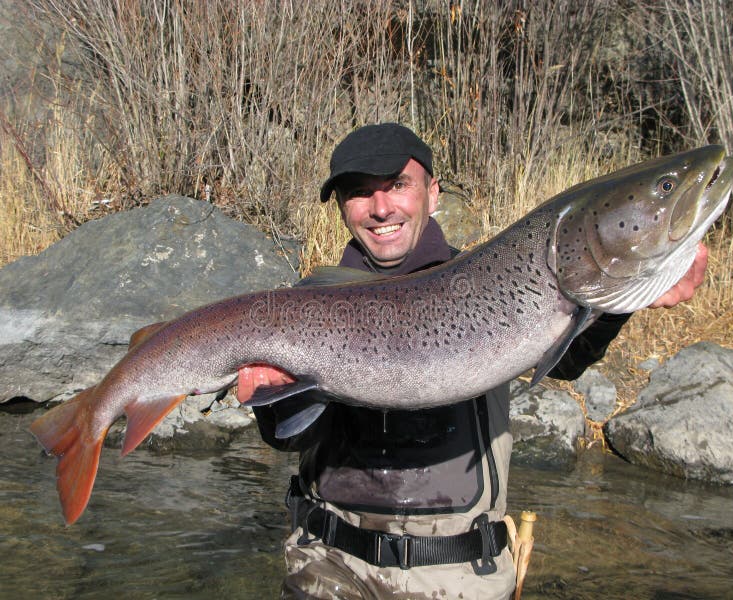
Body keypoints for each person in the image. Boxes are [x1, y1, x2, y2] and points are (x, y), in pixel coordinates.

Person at [240, 123, 708, 599]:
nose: (381, 209)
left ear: (433, 192)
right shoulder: (305, 307)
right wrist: (271, 398)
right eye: (361, 193)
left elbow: (567, 362)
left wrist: (620, 300)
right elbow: (291, 438)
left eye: (398, 185)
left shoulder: (496, 279)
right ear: (342, 207)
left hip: (459, 575)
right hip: (328, 566)